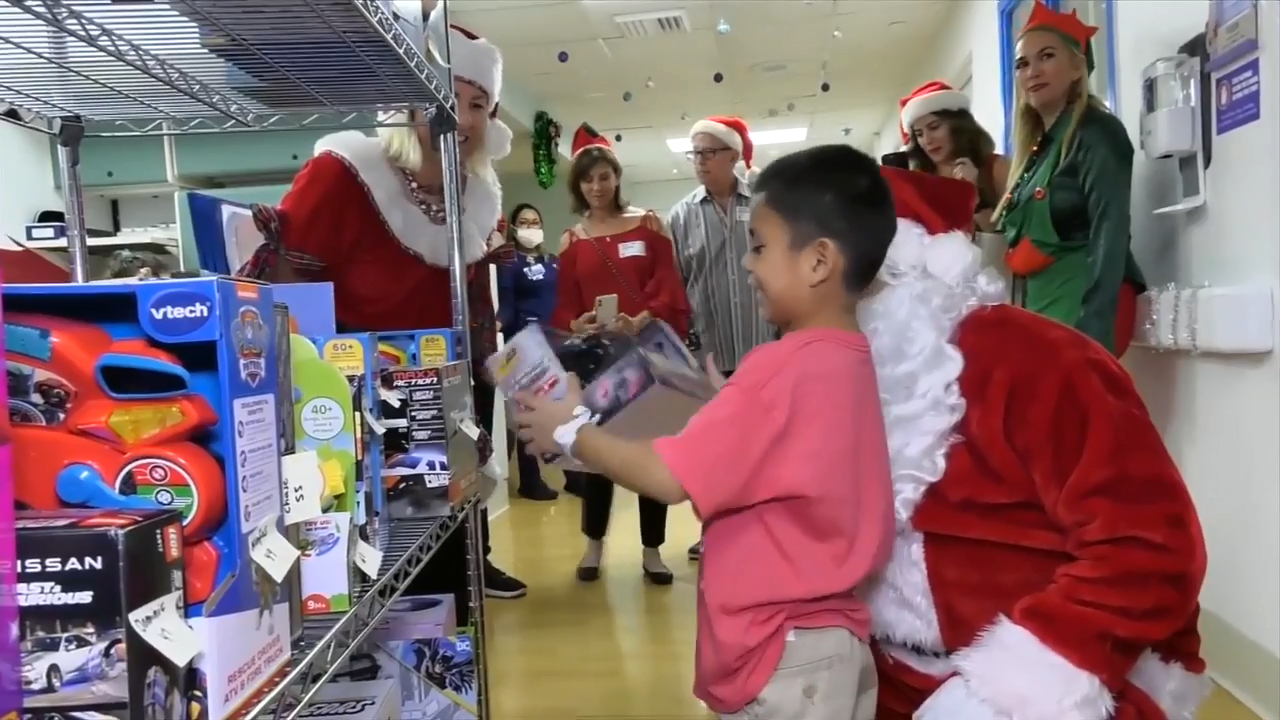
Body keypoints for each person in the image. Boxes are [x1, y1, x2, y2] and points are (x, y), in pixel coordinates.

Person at [515, 144, 896, 720]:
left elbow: (667, 479)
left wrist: (569, 429)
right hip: (833, 643)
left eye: (760, 248)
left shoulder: (777, 368)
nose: (747, 265)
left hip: (781, 653)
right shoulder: (849, 358)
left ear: (818, 262)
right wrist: (726, 404)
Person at [854, 165, 1210, 718]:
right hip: (890, 678)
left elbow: (1149, 548)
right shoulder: (840, 375)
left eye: (864, 286)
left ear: (914, 273)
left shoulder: (1039, 362)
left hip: (1049, 679)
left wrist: (1017, 680)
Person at [234, 22, 527, 601]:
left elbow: (475, 323)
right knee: (361, 599)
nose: (463, 119)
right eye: (448, 98)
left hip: (440, 425)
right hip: (346, 429)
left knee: (442, 598)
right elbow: (284, 306)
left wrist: (521, 387)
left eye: (478, 105)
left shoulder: (469, 201)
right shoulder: (344, 175)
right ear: (410, 101)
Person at [550, 123, 690, 586]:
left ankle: (652, 550)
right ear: (579, 185)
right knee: (596, 455)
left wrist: (643, 317)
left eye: (604, 176)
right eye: (587, 179)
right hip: (595, 360)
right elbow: (564, 305)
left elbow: (668, 287)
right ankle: (593, 545)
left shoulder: (648, 225)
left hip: (645, 356)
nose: (596, 187)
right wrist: (578, 324)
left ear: (616, 177)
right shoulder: (573, 240)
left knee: (652, 449)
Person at [993, 1, 1145, 356]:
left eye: (1046, 56)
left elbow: (1111, 230)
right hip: (1044, 304)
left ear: (1077, 66)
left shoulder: (1096, 132)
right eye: (1022, 64)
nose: (1032, 71)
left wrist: (1095, 329)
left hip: (1085, 303)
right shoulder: (1037, 150)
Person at [667, 115, 773, 563]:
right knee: (716, 452)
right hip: (708, 355)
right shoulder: (681, 216)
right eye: (695, 154)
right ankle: (715, 529)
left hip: (763, 348)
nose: (700, 162)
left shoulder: (767, 203)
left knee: (765, 445)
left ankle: (766, 526)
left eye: (709, 153)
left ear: (734, 156)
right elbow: (676, 286)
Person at [495, 203, 559, 501]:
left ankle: (572, 474)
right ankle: (530, 479)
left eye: (535, 221)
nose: (530, 227)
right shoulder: (509, 262)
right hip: (523, 343)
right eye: (524, 222)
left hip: (555, 340)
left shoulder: (552, 260)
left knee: (562, 408)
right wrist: (494, 328)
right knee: (528, 412)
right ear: (514, 227)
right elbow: (505, 303)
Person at [898, 80, 1009, 232]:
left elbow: (1009, 235)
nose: (928, 140)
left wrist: (973, 193)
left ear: (959, 125)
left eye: (934, 127)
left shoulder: (997, 167)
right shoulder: (919, 181)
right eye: (919, 134)